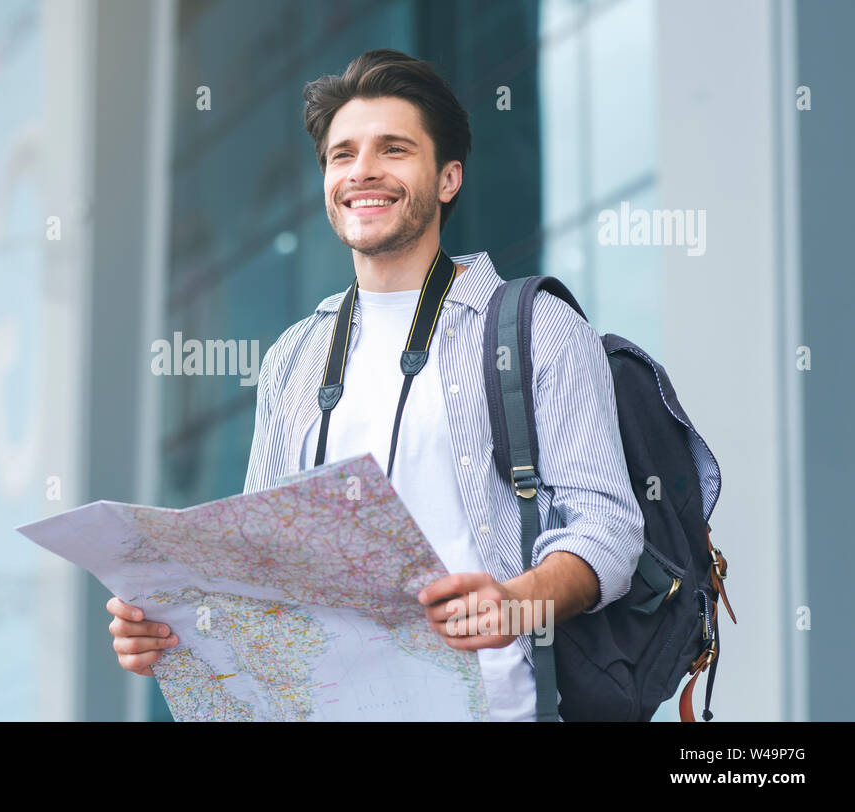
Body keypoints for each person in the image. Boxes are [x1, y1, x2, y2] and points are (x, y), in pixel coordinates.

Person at [107, 48, 644, 721]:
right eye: (342, 155)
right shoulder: (293, 358)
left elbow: (610, 532)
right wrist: (172, 628)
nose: (363, 170)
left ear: (448, 178)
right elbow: (257, 569)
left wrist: (518, 602)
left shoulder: (537, 327)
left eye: (393, 150)